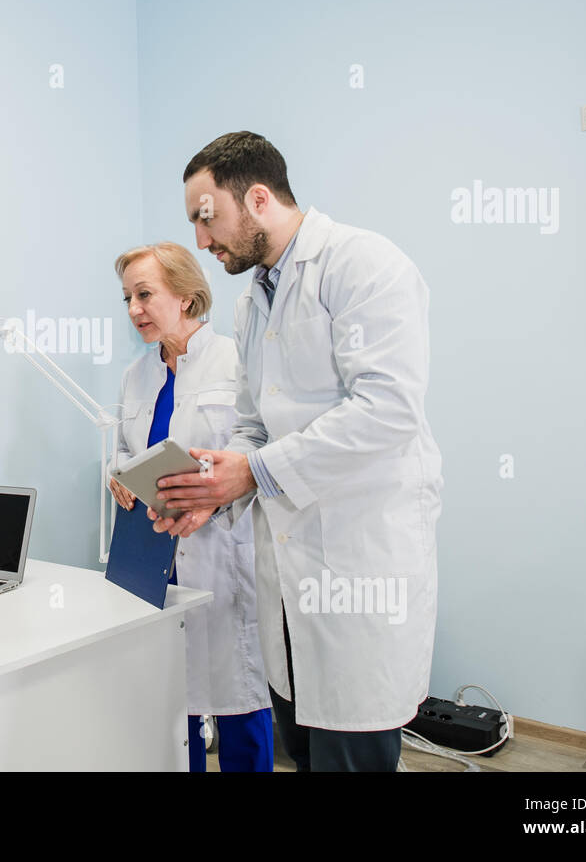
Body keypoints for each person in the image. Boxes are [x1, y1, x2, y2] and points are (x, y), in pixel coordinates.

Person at [151, 131, 443, 772]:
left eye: (207, 216)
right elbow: (255, 424)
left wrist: (251, 470)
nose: (201, 239)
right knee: (303, 745)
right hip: (285, 574)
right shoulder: (253, 302)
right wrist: (213, 486)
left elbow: (387, 410)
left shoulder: (364, 265)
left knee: (352, 746)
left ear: (258, 198)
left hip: (357, 558)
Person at [110, 241, 273, 772]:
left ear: (185, 296)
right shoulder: (137, 375)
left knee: (240, 689)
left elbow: (259, 449)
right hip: (154, 550)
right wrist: (118, 478)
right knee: (170, 695)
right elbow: (122, 452)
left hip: (223, 549)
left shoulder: (234, 360)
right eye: (128, 297)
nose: (134, 308)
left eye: (145, 294)